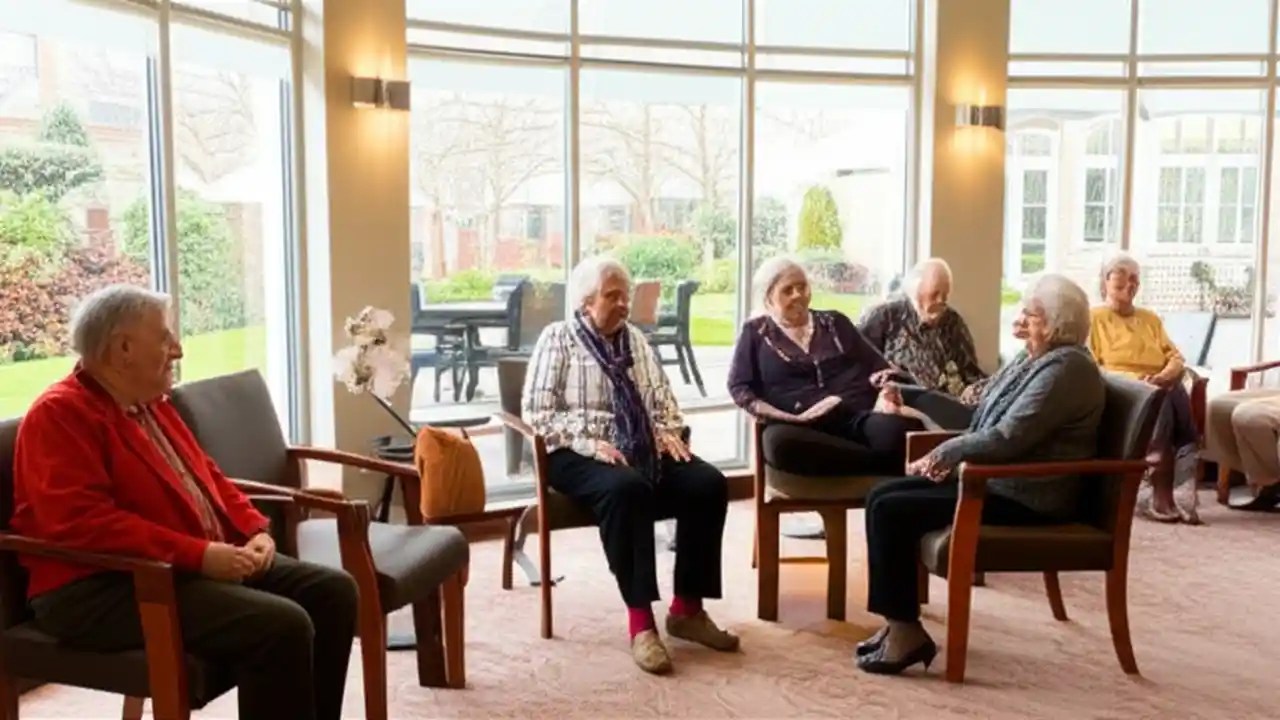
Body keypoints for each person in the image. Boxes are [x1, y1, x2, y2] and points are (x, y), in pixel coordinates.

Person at [11, 285, 359, 720]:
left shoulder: (150, 404)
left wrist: (254, 529)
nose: (177, 350)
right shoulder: (60, 415)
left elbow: (207, 475)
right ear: (123, 349)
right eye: (164, 337)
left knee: (333, 592)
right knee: (282, 625)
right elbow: (85, 523)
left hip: (173, 567)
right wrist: (199, 555)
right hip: (99, 589)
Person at [856, 274, 1105, 676]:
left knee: (892, 510)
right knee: (881, 496)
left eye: (1031, 313)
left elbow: (1008, 437)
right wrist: (910, 392)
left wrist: (946, 451)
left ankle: (905, 633)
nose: (1021, 320)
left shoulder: (1069, 370)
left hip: (1030, 495)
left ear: (1057, 324)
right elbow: (978, 416)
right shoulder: (1034, 359)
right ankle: (898, 624)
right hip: (996, 478)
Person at [521, 256, 737, 675]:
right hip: (572, 452)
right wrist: (591, 443)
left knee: (707, 483)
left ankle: (687, 610)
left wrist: (666, 430)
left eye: (627, 295)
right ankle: (641, 623)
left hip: (638, 446)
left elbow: (662, 400)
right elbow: (537, 412)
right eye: (612, 296)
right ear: (586, 302)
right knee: (627, 489)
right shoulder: (558, 338)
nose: (623, 304)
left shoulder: (636, 339)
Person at [727, 256, 923, 468]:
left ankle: (872, 460)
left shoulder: (835, 322)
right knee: (780, 446)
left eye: (803, 287)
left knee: (899, 431)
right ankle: (882, 461)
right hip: (800, 425)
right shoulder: (755, 333)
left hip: (856, 416)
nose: (798, 295)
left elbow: (879, 367)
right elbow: (739, 386)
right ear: (768, 299)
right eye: (788, 290)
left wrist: (887, 387)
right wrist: (773, 413)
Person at [1088, 252, 1199, 523]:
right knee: (1160, 396)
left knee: (1172, 390)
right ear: (1105, 284)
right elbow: (1094, 366)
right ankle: (1165, 489)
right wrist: (1141, 381)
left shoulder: (1150, 319)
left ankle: (1172, 486)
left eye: (1134, 283)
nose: (1129, 289)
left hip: (1159, 382)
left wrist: (1164, 375)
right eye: (1121, 284)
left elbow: (1175, 357)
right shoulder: (1094, 318)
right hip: (1127, 389)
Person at [859, 258, 987, 430]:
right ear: (915, 290)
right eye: (935, 294)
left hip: (949, 404)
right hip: (904, 400)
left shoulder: (952, 321)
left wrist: (976, 390)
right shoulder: (886, 316)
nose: (942, 300)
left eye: (946, 294)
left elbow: (971, 371)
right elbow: (858, 362)